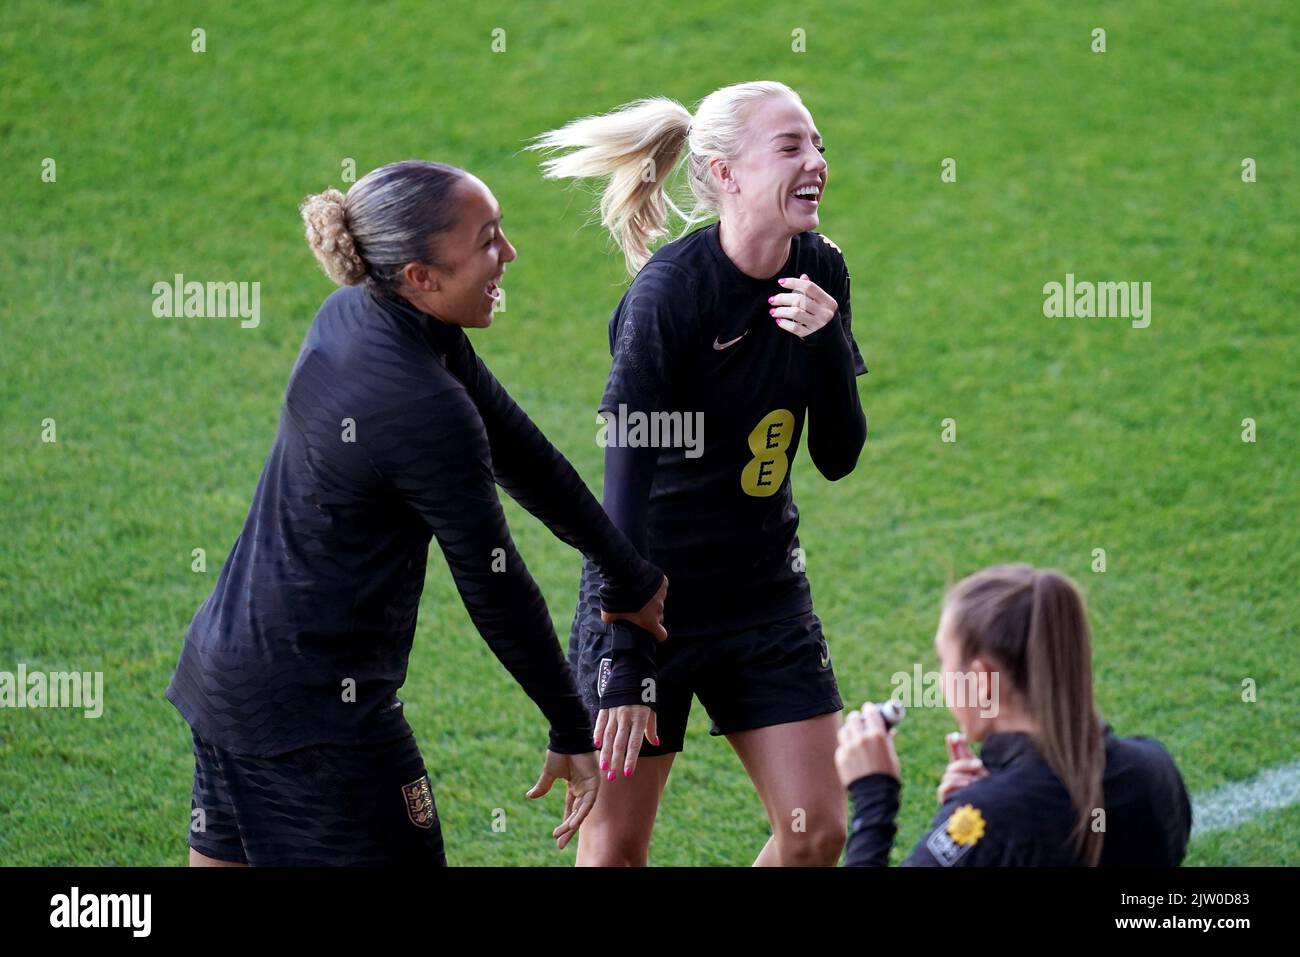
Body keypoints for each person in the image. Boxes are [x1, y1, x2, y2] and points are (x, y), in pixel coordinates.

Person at [165, 160, 667, 866]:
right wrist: (569, 724)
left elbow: (521, 450)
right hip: (316, 716)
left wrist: (628, 572)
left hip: (230, 667)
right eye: (487, 240)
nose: (509, 254)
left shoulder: (358, 314)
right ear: (420, 276)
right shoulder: (422, 404)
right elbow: (494, 582)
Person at [529, 80, 868, 865]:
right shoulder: (669, 297)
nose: (815, 160)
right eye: (790, 147)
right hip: (653, 599)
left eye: (818, 144)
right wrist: (623, 649)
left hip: (764, 596)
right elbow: (622, 494)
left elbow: (837, 456)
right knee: (614, 849)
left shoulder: (822, 270)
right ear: (725, 174)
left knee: (815, 831)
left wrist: (825, 346)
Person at [836, 564, 1193, 866]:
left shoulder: (989, 818)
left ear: (983, 682)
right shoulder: (1155, 768)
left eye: (944, 662)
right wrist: (997, 786)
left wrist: (873, 798)